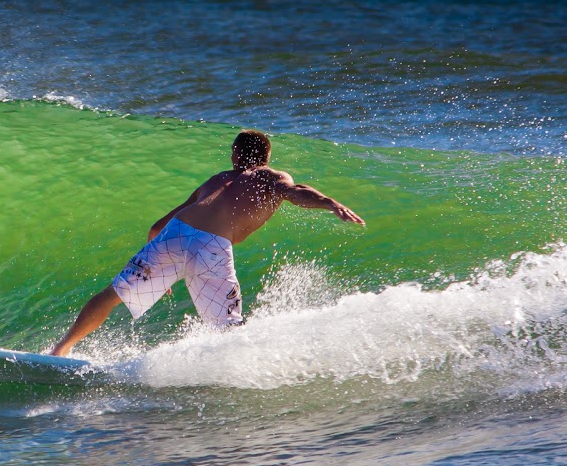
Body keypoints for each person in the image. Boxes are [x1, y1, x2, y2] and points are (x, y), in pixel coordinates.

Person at [49, 129, 364, 356]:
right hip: (211, 247)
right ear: (266, 157)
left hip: (174, 235)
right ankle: (232, 373)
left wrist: (163, 268)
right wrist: (330, 203)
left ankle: (60, 350)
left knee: (112, 295)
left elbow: (157, 226)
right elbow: (297, 193)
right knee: (229, 326)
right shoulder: (271, 178)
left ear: (236, 154)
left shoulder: (215, 180)